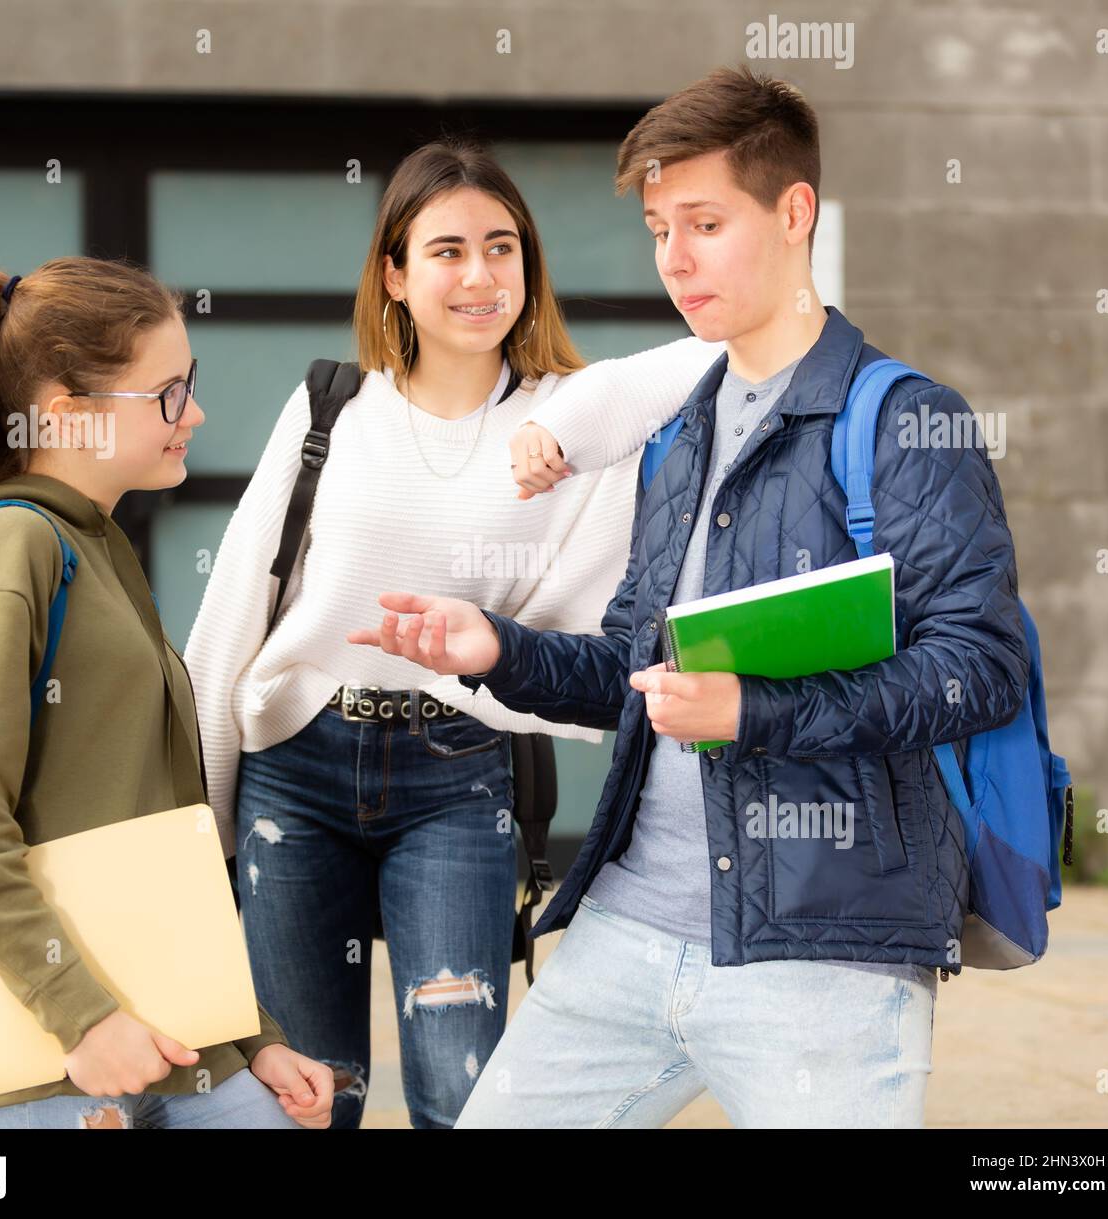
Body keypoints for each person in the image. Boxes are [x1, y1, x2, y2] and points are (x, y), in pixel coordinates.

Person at [349, 68, 1030, 1128]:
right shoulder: (676, 435)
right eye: (660, 229)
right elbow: (636, 671)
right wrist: (499, 650)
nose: (674, 258)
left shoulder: (903, 422)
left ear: (794, 213)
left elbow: (979, 670)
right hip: (625, 933)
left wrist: (755, 710)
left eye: (705, 224)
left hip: (825, 959)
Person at [183, 138, 724, 1129]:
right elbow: (231, 620)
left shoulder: (579, 429)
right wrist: (193, 828)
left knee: (462, 1097)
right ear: (394, 274)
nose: (480, 276)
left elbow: (726, 353)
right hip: (294, 768)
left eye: (501, 247)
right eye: (446, 251)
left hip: (458, 774)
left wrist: (572, 422)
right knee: (307, 1097)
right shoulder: (331, 406)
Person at [0, 256, 333, 1130]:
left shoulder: (96, 549)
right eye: (168, 394)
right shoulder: (7, 549)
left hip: (176, 1044)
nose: (194, 414)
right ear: (67, 414)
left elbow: (158, 835)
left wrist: (251, 1038)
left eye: (190, 385)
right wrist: (83, 1016)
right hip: (42, 1068)